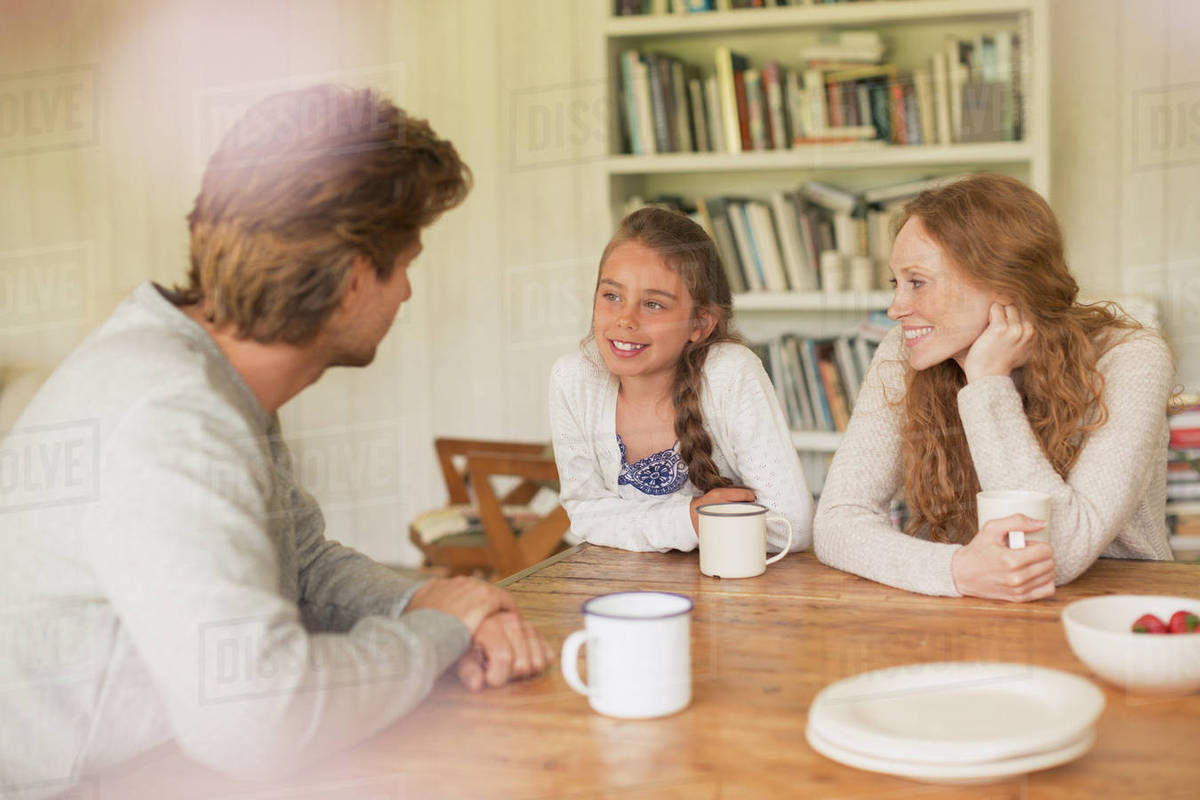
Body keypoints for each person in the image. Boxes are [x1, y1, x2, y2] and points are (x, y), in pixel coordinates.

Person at [0, 85, 550, 798]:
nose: (408, 294)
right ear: (354, 280)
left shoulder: (204, 371)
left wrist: (438, 603)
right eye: (405, 264)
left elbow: (304, 565)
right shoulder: (172, 418)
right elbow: (258, 721)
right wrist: (438, 635)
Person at [813, 173, 1174, 601]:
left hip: (1117, 608)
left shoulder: (1130, 357)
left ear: (1004, 284)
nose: (895, 308)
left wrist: (987, 380)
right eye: (897, 283)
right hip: (977, 603)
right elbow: (837, 520)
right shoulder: (906, 350)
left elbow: (1062, 551)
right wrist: (955, 571)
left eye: (918, 282)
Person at [548, 206, 813, 553]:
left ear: (700, 323)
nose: (625, 320)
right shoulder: (574, 379)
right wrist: (689, 519)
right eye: (612, 296)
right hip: (624, 593)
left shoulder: (730, 374)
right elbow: (584, 515)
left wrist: (628, 523)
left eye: (654, 304)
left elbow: (790, 527)